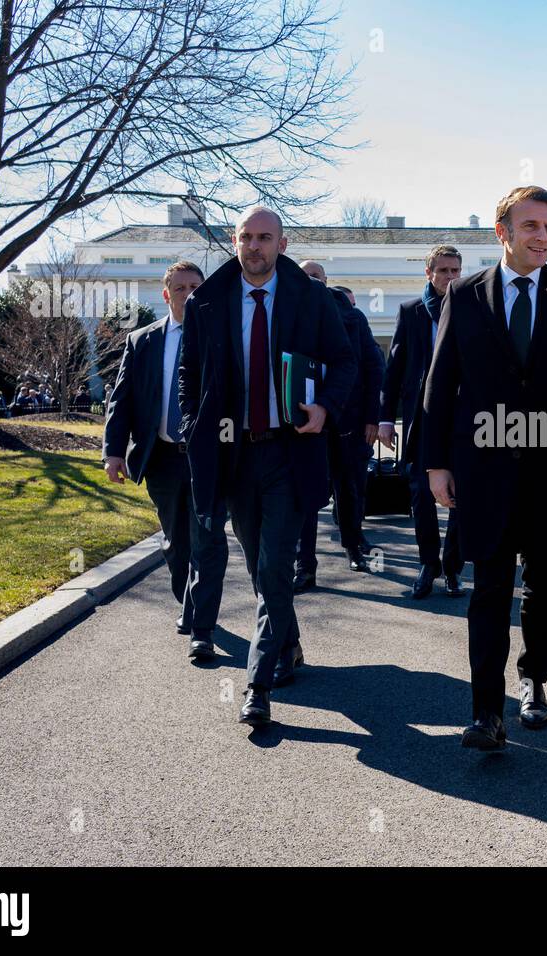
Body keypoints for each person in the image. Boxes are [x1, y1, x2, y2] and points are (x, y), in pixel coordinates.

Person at [423, 185, 547, 750]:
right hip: (483, 470)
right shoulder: (463, 297)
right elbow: (440, 386)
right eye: (531, 226)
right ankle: (486, 711)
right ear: (503, 233)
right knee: (489, 588)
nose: (542, 236)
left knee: (540, 586)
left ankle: (534, 679)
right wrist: (436, 463)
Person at [179, 206, 357, 727]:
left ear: (281, 243)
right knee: (261, 568)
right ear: (235, 242)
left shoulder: (311, 298)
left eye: (264, 238)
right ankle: (291, 643)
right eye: (245, 238)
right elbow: (190, 374)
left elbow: (345, 362)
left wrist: (324, 407)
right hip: (233, 453)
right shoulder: (208, 302)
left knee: (275, 566)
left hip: (288, 451)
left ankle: (258, 684)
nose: (254, 247)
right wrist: (193, 426)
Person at [103, 261, 229, 654]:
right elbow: (120, 400)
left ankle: (202, 629)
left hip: (209, 457)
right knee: (177, 543)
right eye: (180, 288)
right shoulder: (142, 341)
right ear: (166, 294)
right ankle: (188, 603)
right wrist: (113, 451)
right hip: (161, 457)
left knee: (207, 539)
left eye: (195, 287)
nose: (189, 294)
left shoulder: (221, 337)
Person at [379, 245, 466, 598]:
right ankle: (428, 564)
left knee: (462, 495)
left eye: (455, 270)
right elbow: (395, 369)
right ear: (428, 273)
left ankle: (453, 567)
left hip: (462, 417)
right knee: (421, 496)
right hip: (422, 418)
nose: (450, 277)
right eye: (443, 270)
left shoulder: (471, 308)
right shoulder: (411, 312)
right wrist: (385, 418)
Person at [293, 260, 384, 588]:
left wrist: (374, 417)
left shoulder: (352, 317)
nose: (311, 281)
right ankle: (304, 565)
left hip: (349, 419)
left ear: (326, 280)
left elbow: (374, 368)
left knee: (350, 488)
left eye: (316, 276)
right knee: (307, 493)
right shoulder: (288, 312)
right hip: (303, 420)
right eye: (305, 276)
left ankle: (353, 546)